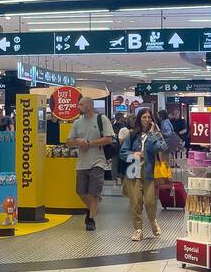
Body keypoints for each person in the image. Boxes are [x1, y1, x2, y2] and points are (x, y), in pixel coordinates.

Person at [66, 95, 113, 231]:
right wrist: (77, 142)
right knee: (80, 192)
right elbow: (68, 142)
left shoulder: (101, 119)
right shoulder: (77, 123)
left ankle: (91, 219)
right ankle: (90, 210)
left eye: (80, 104)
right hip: (82, 163)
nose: (78, 107)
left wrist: (90, 143)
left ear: (89, 106)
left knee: (94, 193)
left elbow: (109, 139)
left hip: (98, 161)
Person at [119, 109, 167, 241]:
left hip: (149, 173)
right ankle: (138, 229)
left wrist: (152, 134)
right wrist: (132, 155)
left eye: (149, 117)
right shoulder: (132, 135)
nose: (146, 120)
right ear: (139, 119)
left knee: (150, 201)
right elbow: (122, 152)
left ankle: (152, 221)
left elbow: (162, 147)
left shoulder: (156, 135)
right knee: (135, 202)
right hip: (133, 172)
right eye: (144, 117)